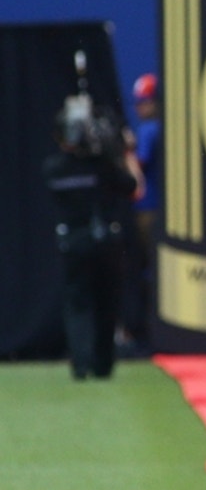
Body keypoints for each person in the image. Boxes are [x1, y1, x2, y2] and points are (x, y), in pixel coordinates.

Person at [42, 94, 140, 380]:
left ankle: (82, 363)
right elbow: (132, 187)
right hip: (104, 239)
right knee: (104, 302)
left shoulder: (53, 169)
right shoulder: (102, 166)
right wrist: (125, 153)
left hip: (73, 241)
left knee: (78, 303)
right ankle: (101, 365)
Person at [117, 72, 162, 358]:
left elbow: (138, 167)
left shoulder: (149, 130)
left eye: (144, 102)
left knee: (141, 272)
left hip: (147, 210)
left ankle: (140, 331)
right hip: (154, 209)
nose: (140, 108)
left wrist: (127, 149)